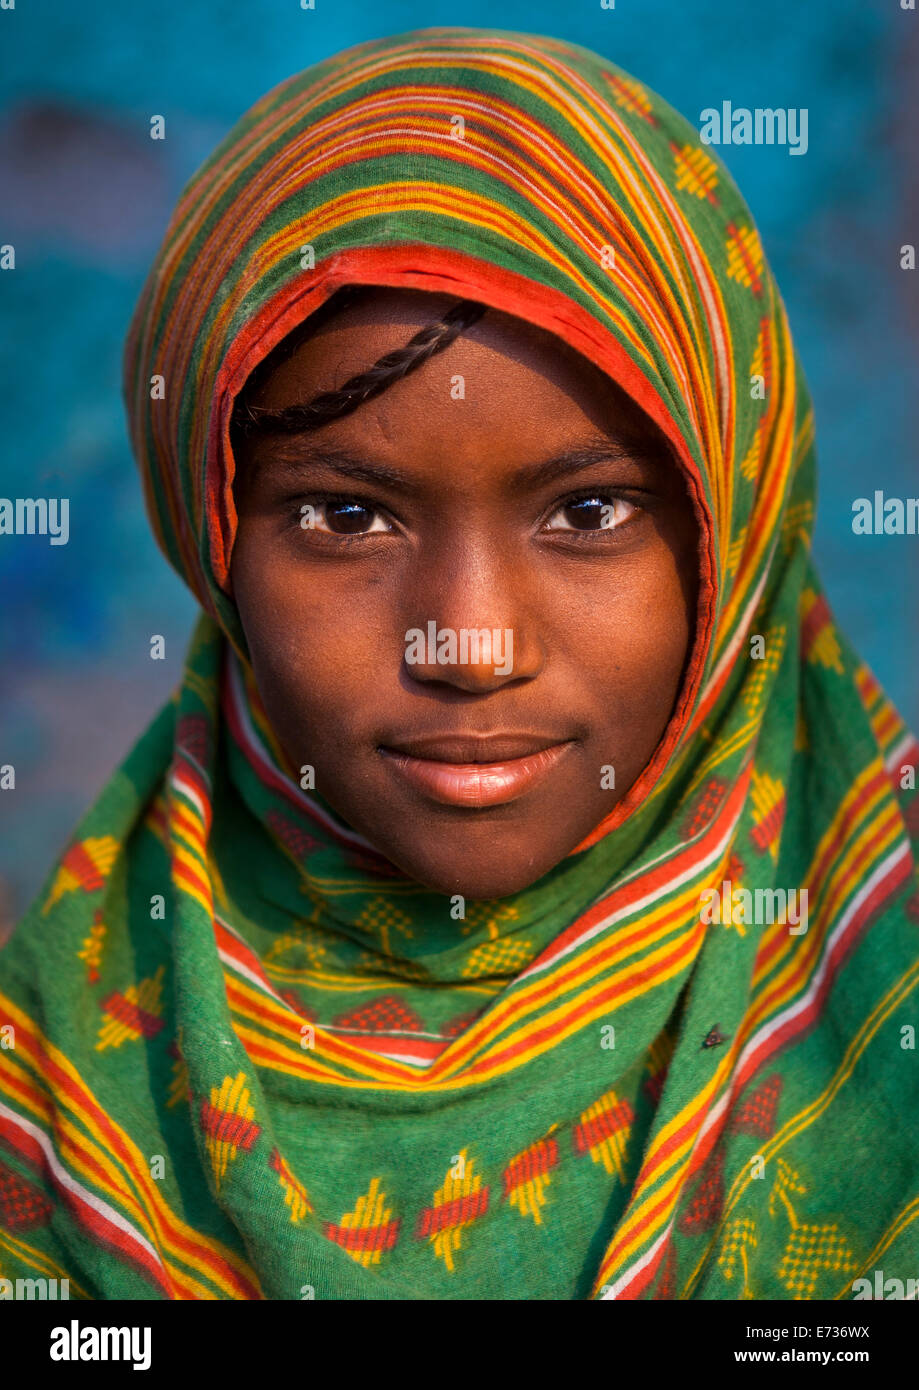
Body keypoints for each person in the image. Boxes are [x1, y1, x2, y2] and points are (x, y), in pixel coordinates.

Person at [1, 26, 917, 1302]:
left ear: (735, 527)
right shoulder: (53, 1072)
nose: (471, 645)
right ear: (209, 540)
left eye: (589, 515)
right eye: (343, 517)